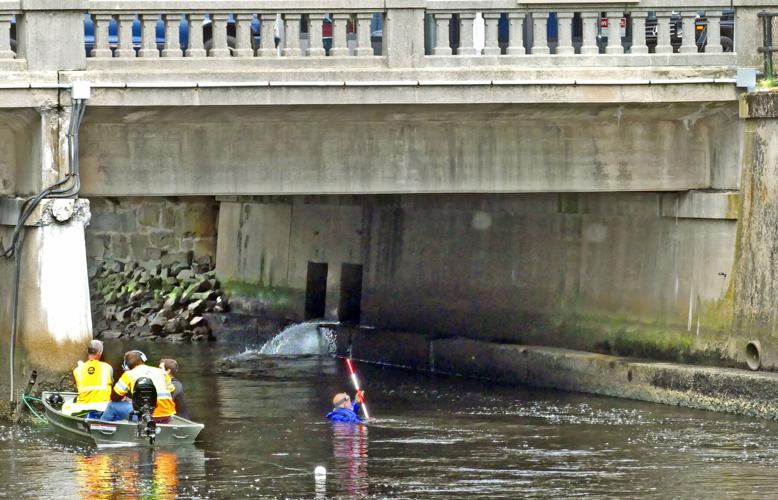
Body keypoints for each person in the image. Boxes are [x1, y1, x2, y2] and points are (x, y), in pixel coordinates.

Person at [100, 350, 176, 423]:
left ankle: (100, 427)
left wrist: (126, 399)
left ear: (126, 366)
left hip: (145, 418)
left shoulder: (129, 374)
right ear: (143, 359)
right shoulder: (162, 372)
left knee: (112, 406)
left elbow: (114, 397)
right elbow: (171, 392)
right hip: (167, 416)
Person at [73, 340, 113, 404]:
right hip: (103, 405)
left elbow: (75, 387)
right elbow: (111, 384)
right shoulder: (107, 367)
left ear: (88, 352)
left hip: (83, 405)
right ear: (99, 353)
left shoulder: (77, 370)